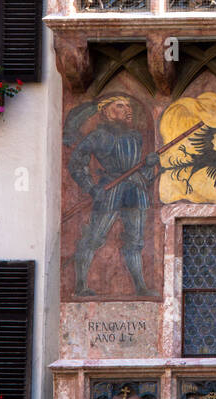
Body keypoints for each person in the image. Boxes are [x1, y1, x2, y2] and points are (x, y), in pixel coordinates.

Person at [68, 96, 160, 298]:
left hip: (135, 190)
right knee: (93, 238)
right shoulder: (98, 137)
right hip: (109, 191)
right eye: (120, 105)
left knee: (135, 241)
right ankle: (81, 285)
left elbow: (141, 174)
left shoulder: (135, 136)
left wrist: (148, 164)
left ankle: (140, 286)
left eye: (128, 106)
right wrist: (91, 189)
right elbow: (75, 163)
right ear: (107, 111)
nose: (128, 110)